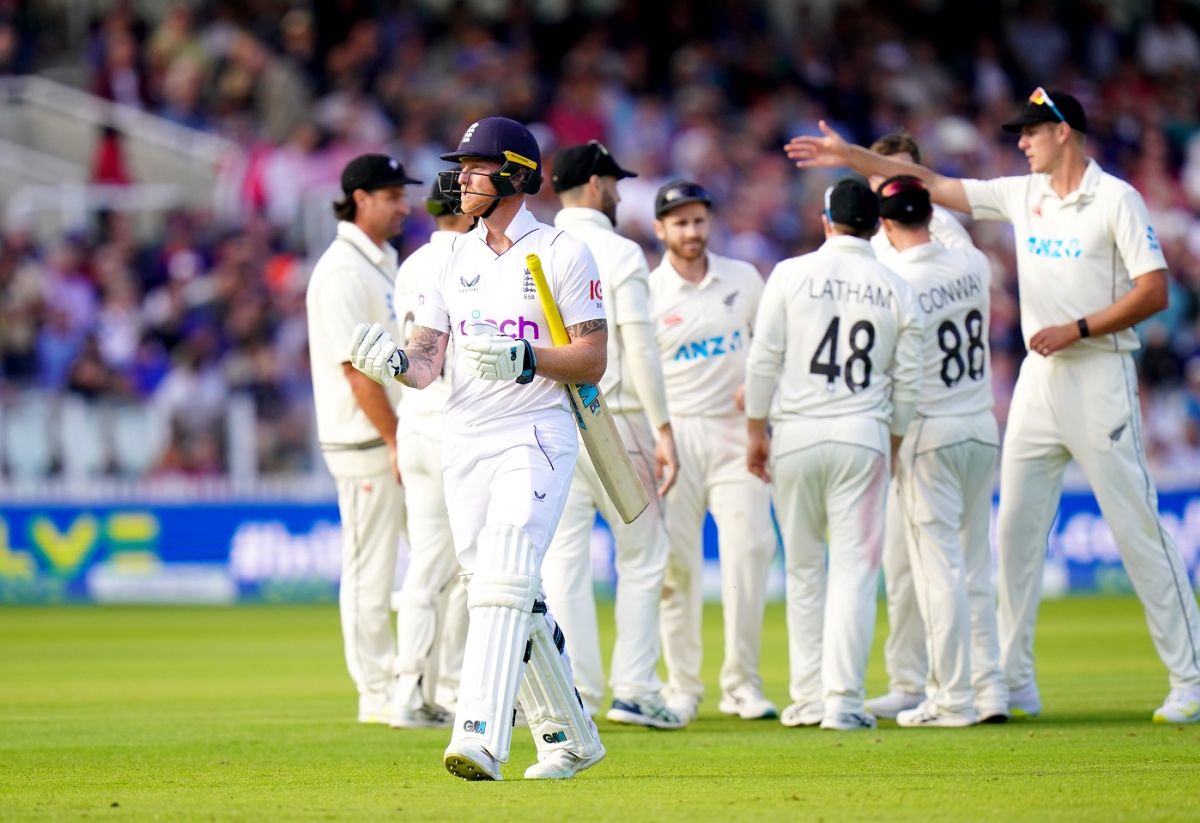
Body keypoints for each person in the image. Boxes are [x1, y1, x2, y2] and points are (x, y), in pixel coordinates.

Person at [786, 87, 1200, 724]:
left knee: (1136, 525)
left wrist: (1080, 328)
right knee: (1014, 535)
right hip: (1040, 375)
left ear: (1062, 131)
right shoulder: (1022, 193)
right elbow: (929, 183)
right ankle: (1013, 681)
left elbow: (1154, 290)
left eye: (1031, 132)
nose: (1021, 142)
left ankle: (1191, 678)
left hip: (1099, 369)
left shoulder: (1116, 198)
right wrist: (851, 156)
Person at [349, 116, 608, 779]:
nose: (461, 176)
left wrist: (527, 357)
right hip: (465, 440)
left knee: (505, 573)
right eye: (460, 165)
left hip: (535, 434)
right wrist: (392, 363)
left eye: (476, 165)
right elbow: (428, 361)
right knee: (502, 589)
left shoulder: (561, 252)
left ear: (517, 174)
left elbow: (592, 358)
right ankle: (571, 738)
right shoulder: (450, 257)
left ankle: (479, 735)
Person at [745, 178, 923, 731]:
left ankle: (807, 699)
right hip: (861, 433)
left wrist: (755, 430)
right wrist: (892, 442)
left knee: (802, 570)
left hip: (795, 434)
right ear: (876, 225)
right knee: (854, 570)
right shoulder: (897, 284)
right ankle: (843, 701)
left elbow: (763, 358)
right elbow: (909, 382)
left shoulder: (790, 274)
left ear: (826, 220)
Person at [541, 140, 683, 728]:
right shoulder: (619, 252)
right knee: (645, 554)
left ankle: (576, 690)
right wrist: (664, 428)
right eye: (614, 182)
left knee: (566, 559)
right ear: (596, 185)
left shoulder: (540, 249)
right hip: (613, 413)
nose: (620, 191)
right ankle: (636, 689)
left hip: (552, 417)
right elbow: (640, 347)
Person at [862, 132, 1002, 723]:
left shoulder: (897, 282)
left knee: (937, 568)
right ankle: (986, 688)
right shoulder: (972, 260)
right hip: (979, 422)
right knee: (971, 565)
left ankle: (953, 697)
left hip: (928, 431)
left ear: (888, 220)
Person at [648, 179, 778, 723]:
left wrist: (762, 399)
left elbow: (774, 347)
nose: (692, 232)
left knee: (750, 553)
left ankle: (742, 683)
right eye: (680, 223)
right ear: (660, 230)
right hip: (676, 440)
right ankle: (682, 687)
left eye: (699, 220)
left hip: (737, 436)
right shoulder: (648, 293)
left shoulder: (743, 278)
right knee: (676, 571)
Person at [305, 153, 421, 725]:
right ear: (361, 198)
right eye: (394, 196)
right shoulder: (342, 270)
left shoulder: (379, 262)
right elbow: (356, 369)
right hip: (368, 442)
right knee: (370, 568)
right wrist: (396, 438)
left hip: (395, 437)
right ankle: (374, 691)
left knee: (426, 563)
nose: (405, 206)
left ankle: (417, 681)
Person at [388, 181, 474, 727]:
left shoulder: (410, 264)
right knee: (473, 568)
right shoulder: (469, 261)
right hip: (452, 427)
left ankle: (409, 692)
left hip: (412, 425)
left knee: (425, 566)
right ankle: (464, 690)